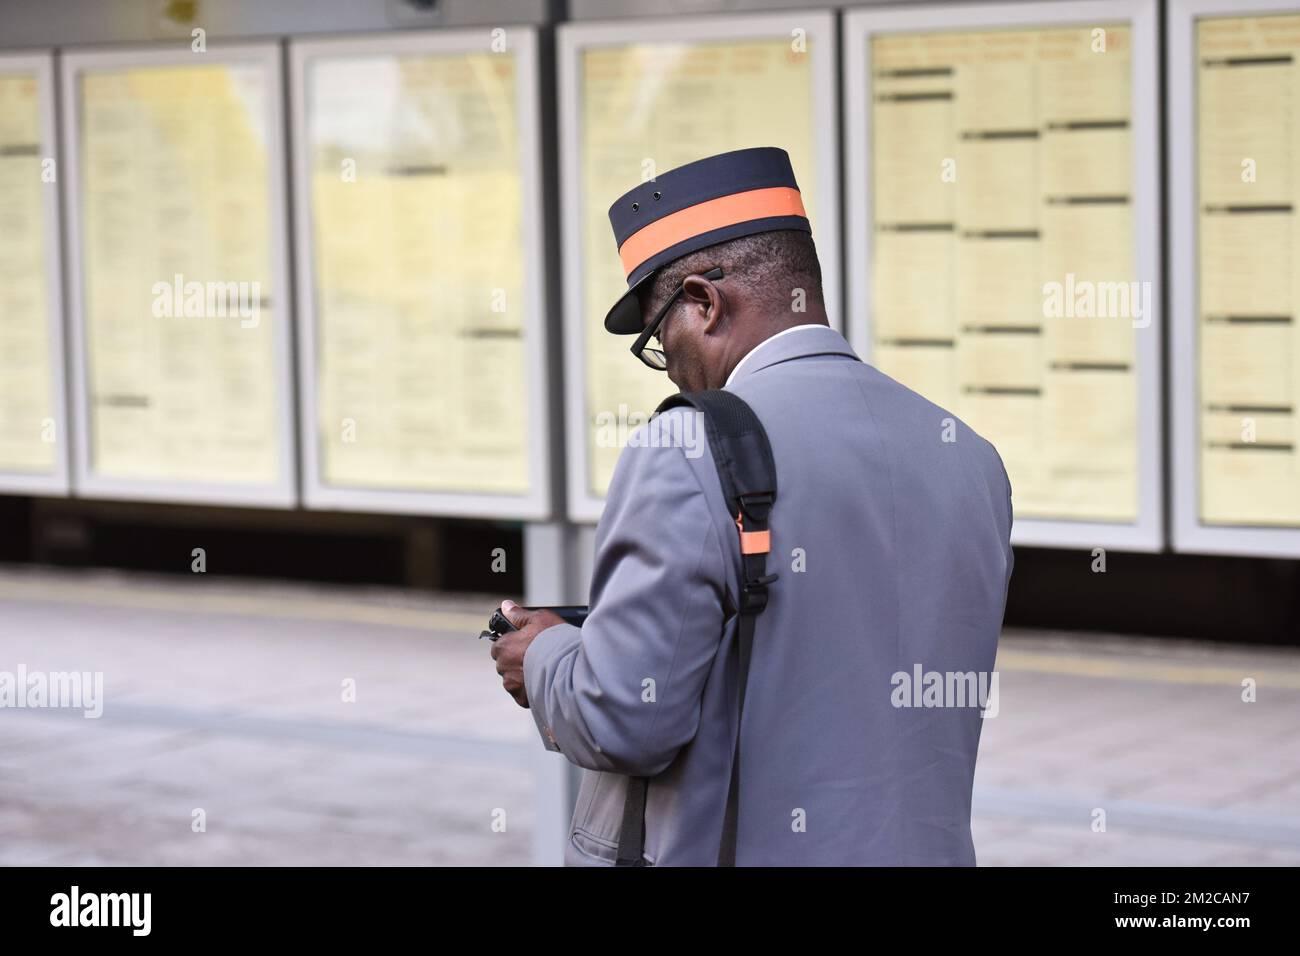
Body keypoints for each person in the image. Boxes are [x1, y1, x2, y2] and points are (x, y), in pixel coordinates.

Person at [490, 147, 1013, 865]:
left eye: (658, 338)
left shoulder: (687, 444)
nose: (668, 365)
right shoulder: (969, 455)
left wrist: (544, 655)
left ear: (703, 303)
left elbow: (627, 717)